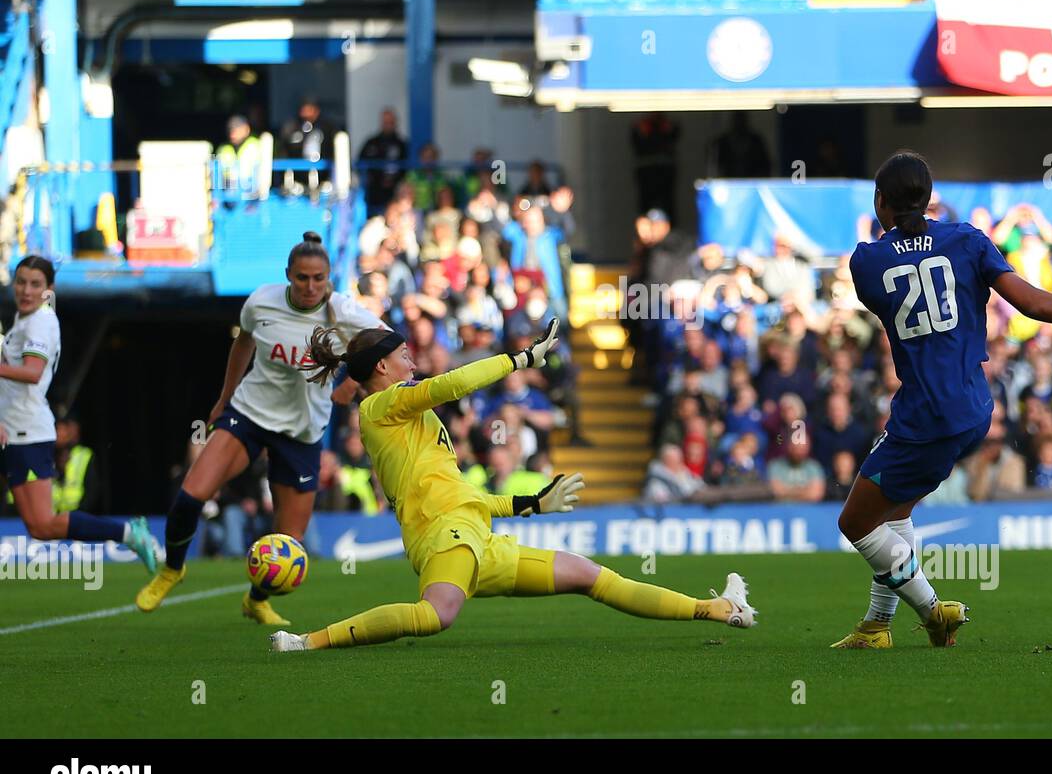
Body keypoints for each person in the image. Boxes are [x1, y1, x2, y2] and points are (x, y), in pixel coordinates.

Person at [267, 320, 755, 652]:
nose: (412, 360)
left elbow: (461, 494)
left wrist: (530, 503)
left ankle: (717, 608)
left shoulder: (405, 416)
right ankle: (308, 642)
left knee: (590, 576)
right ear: (381, 367)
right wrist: (518, 359)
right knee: (437, 615)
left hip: (475, 536)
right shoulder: (380, 407)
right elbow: (449, 384)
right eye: (402, 354)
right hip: (446, 535)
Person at [833, 151, 1052, 650]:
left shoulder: (867, 261)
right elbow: (1030, 302)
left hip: (924, 413)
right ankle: (876, 627)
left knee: (855, 522)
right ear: (930, 200)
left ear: (880, 202)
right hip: (974, 409)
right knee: (895, 514)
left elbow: (888, 290)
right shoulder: (968, 240)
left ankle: (933, 610)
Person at [135, 232, 386, 624]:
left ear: (328, 277)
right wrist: (224, 397)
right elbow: (244, 343)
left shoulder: (345, 313)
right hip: (250, 414)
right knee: (191, 495)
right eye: (302, 278)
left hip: (302, 432)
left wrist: (351, 383)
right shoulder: (261, 301)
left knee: (289, 542)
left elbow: (386, 343)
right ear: (288, 275)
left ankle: (256, 600)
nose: (310, 286)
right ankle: (172, 569)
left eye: (318, 278)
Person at [0, 256, 155, 568]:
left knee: (44, 525)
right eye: (21, 282)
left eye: (36, 284)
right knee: (39, 527)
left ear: (49, 290)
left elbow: (32, 372)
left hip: (27, 433)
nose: (26, 290)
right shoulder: (23, 321)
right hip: (13, 428)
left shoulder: (41, 322)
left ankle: (127, 532)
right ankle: (127, 532)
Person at [358, 107, 409, 217]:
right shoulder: (371, 143)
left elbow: (407, 168)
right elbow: (360, 163)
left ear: (395, 122)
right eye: (385, 122)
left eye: (390, 122)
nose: (388, 124)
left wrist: (395, 181)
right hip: (374, 191)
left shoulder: (402, 144)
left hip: (394, 191)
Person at [215, 115, 264, 199]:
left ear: (246, 129)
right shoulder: (223, 148)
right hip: (229, 189)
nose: (233, 133)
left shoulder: (256, 144)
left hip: (252, 189)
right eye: (231, 129)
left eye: (236, 129)